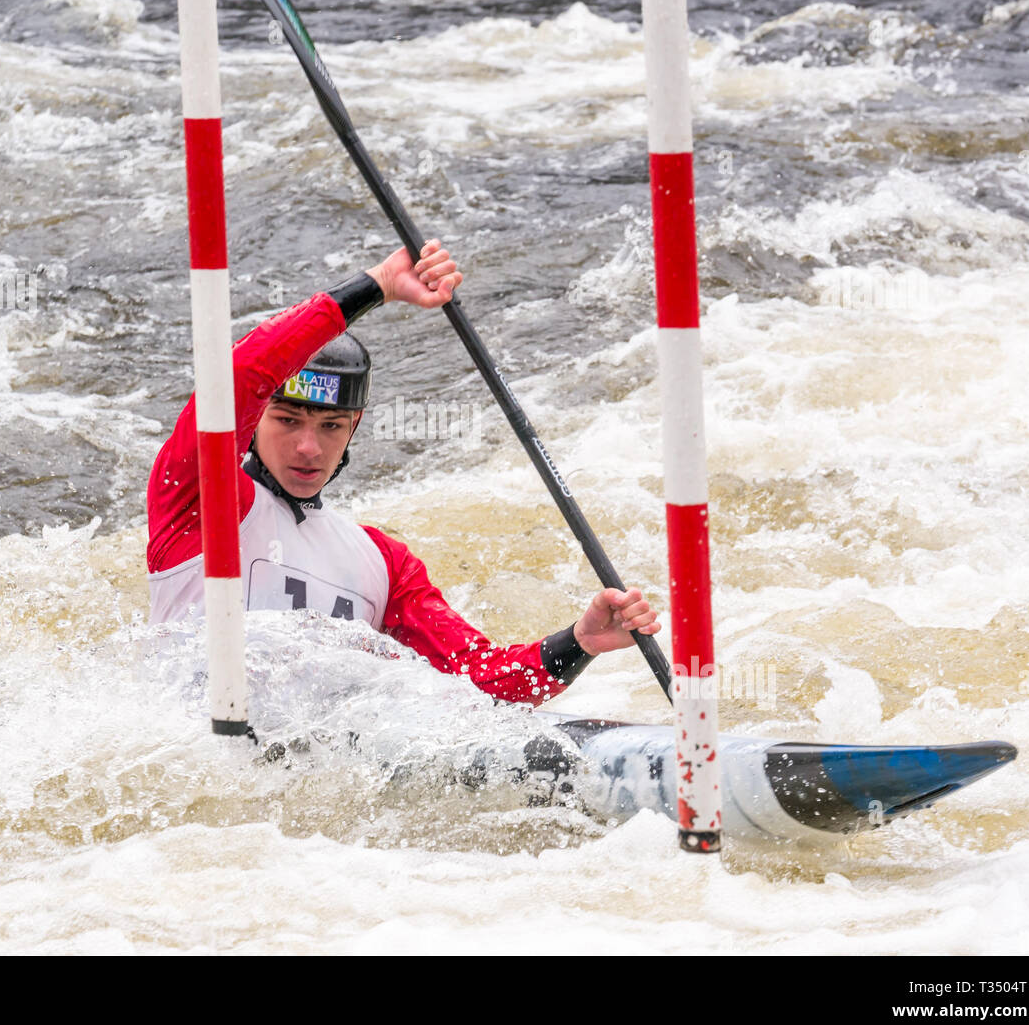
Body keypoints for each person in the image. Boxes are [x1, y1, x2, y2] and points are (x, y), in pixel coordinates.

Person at [146, 241, 662, 705]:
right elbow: (237, 378)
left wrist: (579, 642)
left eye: (331, 425)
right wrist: (378, 286)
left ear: (355, 426)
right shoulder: (202, 501)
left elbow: (479, 683)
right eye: (287, 420)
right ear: (255, 416)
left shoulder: (384, 564)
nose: (309, 446)